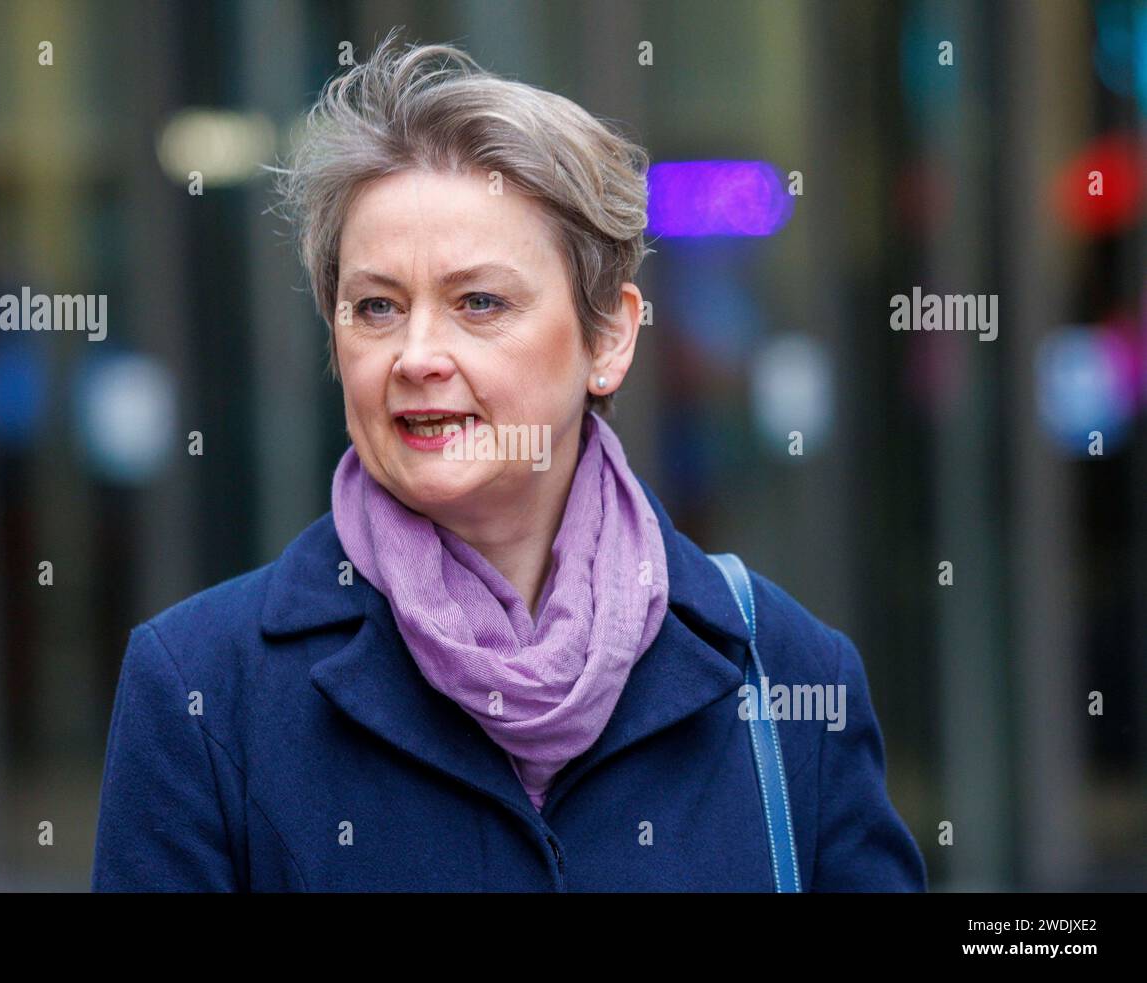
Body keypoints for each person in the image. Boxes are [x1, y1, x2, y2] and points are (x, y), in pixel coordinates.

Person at [91, 28, 926, 892]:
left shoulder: (786, 671)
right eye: (376, 307)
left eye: (478, 302)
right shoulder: (201, 689)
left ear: (609, 336)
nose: (416, 355)